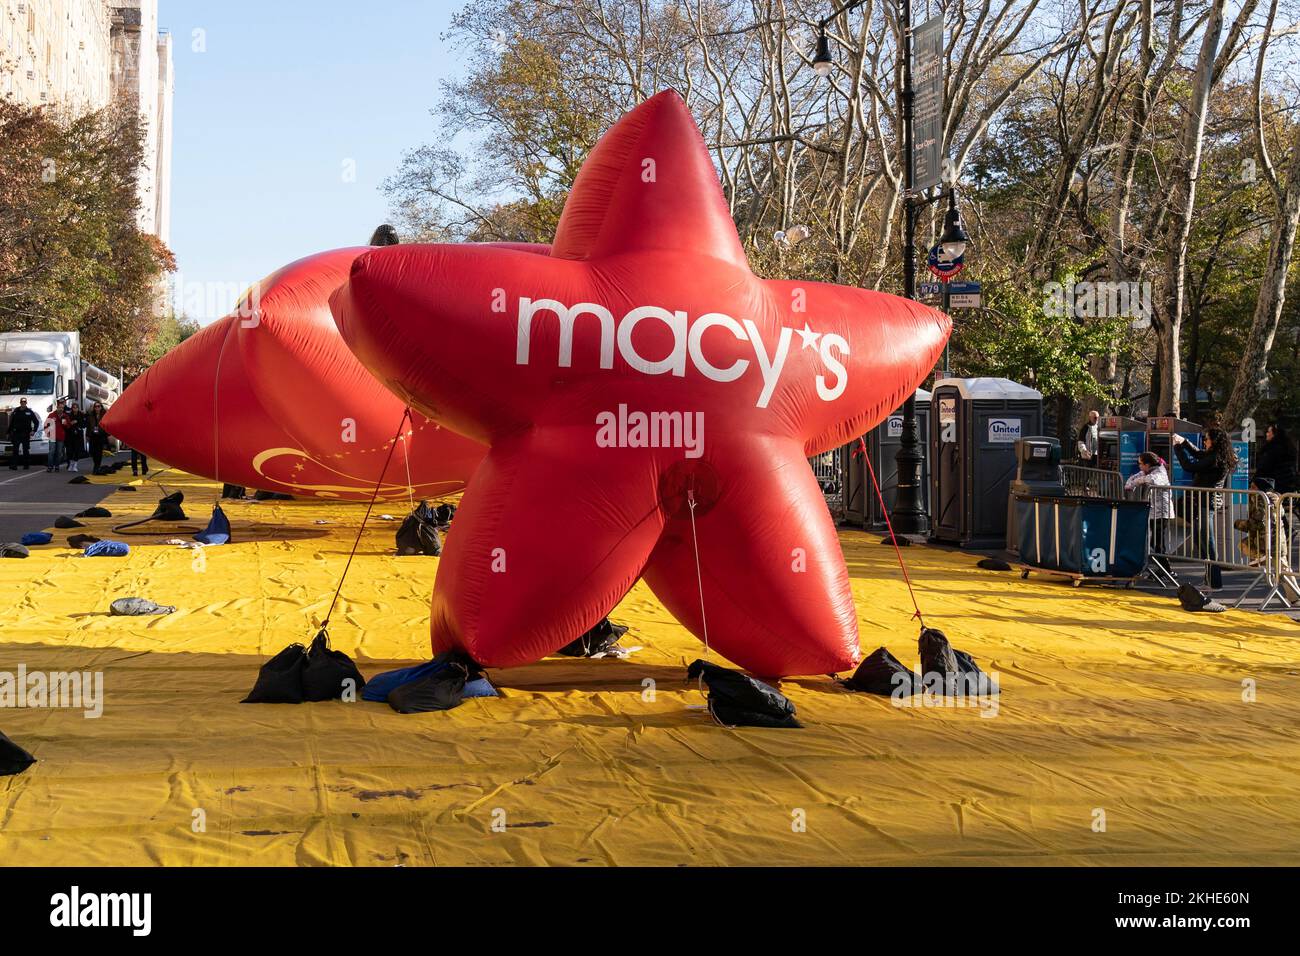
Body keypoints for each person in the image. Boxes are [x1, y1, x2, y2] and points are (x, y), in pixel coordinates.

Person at [1173, 427, 1238, 590]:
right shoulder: (1214, 455)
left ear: (1214, 441)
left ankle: (1215, 582)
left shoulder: (1215, 458)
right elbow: (1198, 454)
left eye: (1207, 439)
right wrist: (1184, 442)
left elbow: (1189, 466)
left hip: (1206, 502)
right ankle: (1209, 578)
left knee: (1207, 542)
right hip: (1201, 501)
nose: (1204, 441)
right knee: (1200, 540)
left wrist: (1178, 448)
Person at [1125, 451, 1174, 573]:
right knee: (1154, 543)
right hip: (1153, 512)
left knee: (1157, 543)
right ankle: (1163, 570)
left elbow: (1153, 480)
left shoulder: (1160, 472)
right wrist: (1131, 483)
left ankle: (1167, 570)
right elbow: (1133, 478)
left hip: (1162, 512)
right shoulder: (1147, 471)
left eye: (1140, 464)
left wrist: (1136, 482)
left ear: (1147, 465)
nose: (1139, 466)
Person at [1255, 423, 1298, 494]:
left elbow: (1263, 467)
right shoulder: (1289, 448)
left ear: (1274, 434)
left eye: (1269, 432)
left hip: (1274, 487)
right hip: (1289, 486)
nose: (1266, 434)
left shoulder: (1272, 449)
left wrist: (1255, 479)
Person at [6, 397, 41, 470]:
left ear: (26, 403)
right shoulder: (16, 411)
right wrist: (8, 432)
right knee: (15, 450)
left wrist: (34, 430)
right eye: (22, 402)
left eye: (24, 402)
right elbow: (12, 423)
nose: (23, 403)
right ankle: (14, 465)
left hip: (25, 434)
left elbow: (36, 422)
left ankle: (26, 465)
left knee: (25, 450)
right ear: (20, 403)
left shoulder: (29, 412)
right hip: (16, 434)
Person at [44, 398, 71, 472]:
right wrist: (47, 433)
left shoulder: (65, 416)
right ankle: (50, 466)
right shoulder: (52, 415)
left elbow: (68, 426)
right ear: (57, 407)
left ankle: (57, 466)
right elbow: (46, 425)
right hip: (52, 435)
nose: (61, 409)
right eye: (59, 407)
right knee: (51, 452)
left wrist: (65, 424)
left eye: (62, 408)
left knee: (59, 453)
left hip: (61, 436)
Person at [86, 402, 109, 474]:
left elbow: (107, 425)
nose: (97, 408)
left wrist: (106, 434)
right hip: (93, 435)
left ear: (101, 407)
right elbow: (88, 426)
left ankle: (97, 466)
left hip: (101, 435)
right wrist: (87, 435)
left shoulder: (104, 415)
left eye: (98, 406)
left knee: (99, 452)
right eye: (95, 406)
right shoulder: (91, 415)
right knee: (93, 452)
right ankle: (96, 464)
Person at [65, 403, 85, 472]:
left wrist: (78, 423)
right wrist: (71, 423)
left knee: (77, 450)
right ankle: (70, 464)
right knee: (70, 450)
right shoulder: (69, 415)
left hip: (78, 435)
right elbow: (65, 424)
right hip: (70, 435)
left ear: (78, 408)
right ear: (72, 408)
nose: (75, 409)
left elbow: (84, 424)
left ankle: (75, 465)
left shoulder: (81, 415)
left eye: (76, 407)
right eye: (74, 407)